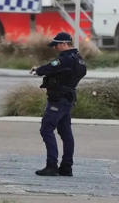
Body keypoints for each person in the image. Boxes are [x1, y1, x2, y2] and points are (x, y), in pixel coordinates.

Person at [32, 32, 87, 176]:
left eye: (56, 44)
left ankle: (51, 165)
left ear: (64, 43)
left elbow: (51, 67)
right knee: (66, 133)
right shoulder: (79, 59)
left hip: (58, 100)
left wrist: (37, 70)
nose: (55, 48)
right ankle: (66, 167)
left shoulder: (65, 59)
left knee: (46, 129)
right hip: (68, 99)